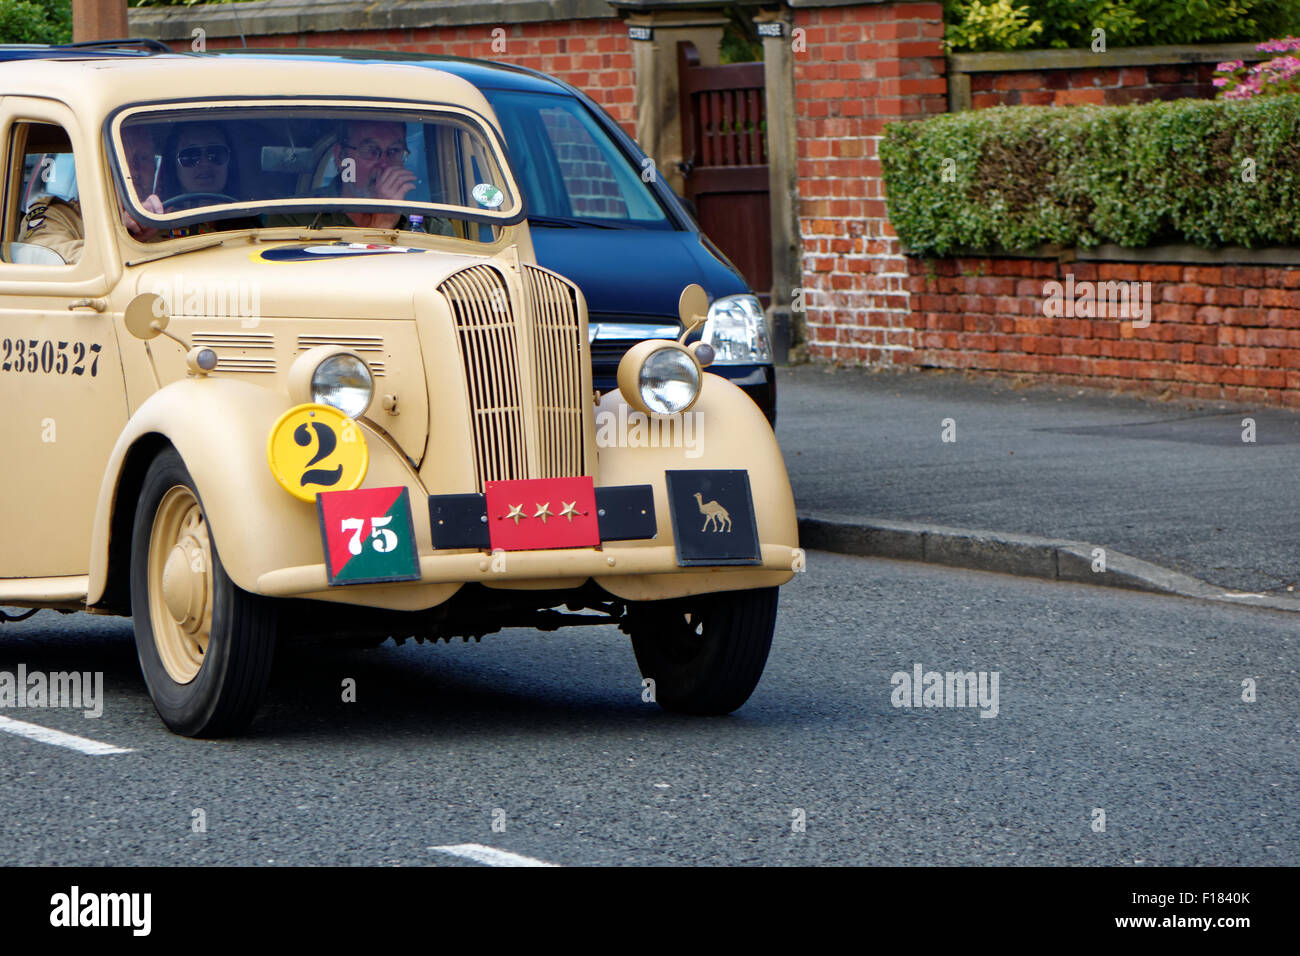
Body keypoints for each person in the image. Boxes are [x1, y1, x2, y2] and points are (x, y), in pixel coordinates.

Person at [268, 119, 452, 235]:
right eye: (370, 151)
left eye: (394, 151)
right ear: (341, 157)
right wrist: (382, 225)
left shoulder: (431, 226)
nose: (384, 164)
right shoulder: (293, 217)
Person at [18, 124, 163, 264]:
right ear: (98, 166)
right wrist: (120, 236)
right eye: (121, 160)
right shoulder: (57, 216)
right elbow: (43, 254)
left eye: (143, 158)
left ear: (154, 166)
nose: (133, 169)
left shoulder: (170, 218)